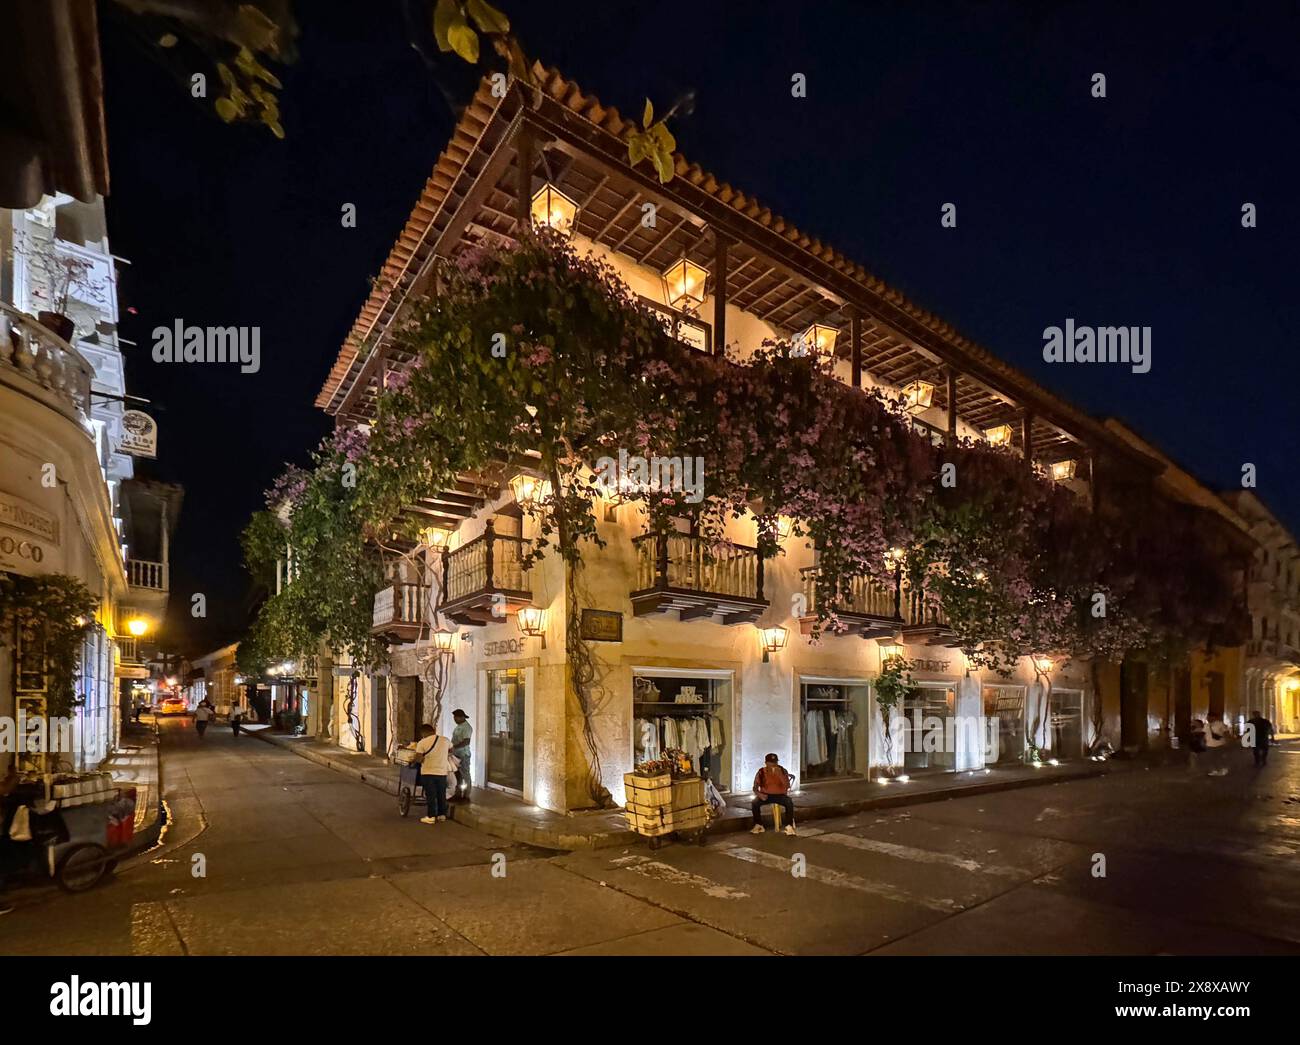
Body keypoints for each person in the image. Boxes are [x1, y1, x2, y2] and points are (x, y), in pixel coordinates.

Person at [411, 724, 452, 825]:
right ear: (433, 730)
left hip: (428, 772)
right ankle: (442, 815)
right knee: (441, 794)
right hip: (442, 772)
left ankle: (431, 816)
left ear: (423, 733)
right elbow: (451, 751)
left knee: (431, 795)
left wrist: (414, 760)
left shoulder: (422, 743)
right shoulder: (445, 740)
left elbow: (419, 759)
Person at [751, 752, 796, 836]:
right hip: (766, 795)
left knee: (789, 802)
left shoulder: (782, 770)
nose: (774, 765)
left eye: (775, 762)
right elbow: (755, 787)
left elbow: (787, 786)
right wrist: (759, 794)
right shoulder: (761, 772)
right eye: (771, 763)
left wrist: (780, 776)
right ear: (766, 763)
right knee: (755, 803)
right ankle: (759, 824)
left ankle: (789, 825)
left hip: (780, 795)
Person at [450, 709, 472, 801]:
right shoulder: (459, 726)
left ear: (462, 717)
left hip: (463, 754)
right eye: (454, 717)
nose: (455, 719)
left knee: (465, 774)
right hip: (456, 754)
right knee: (457, 775)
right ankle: (457, 794)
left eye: (456, 717)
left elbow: (466, 741)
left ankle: (466, 795)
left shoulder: (466, 727)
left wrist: (454, 747)